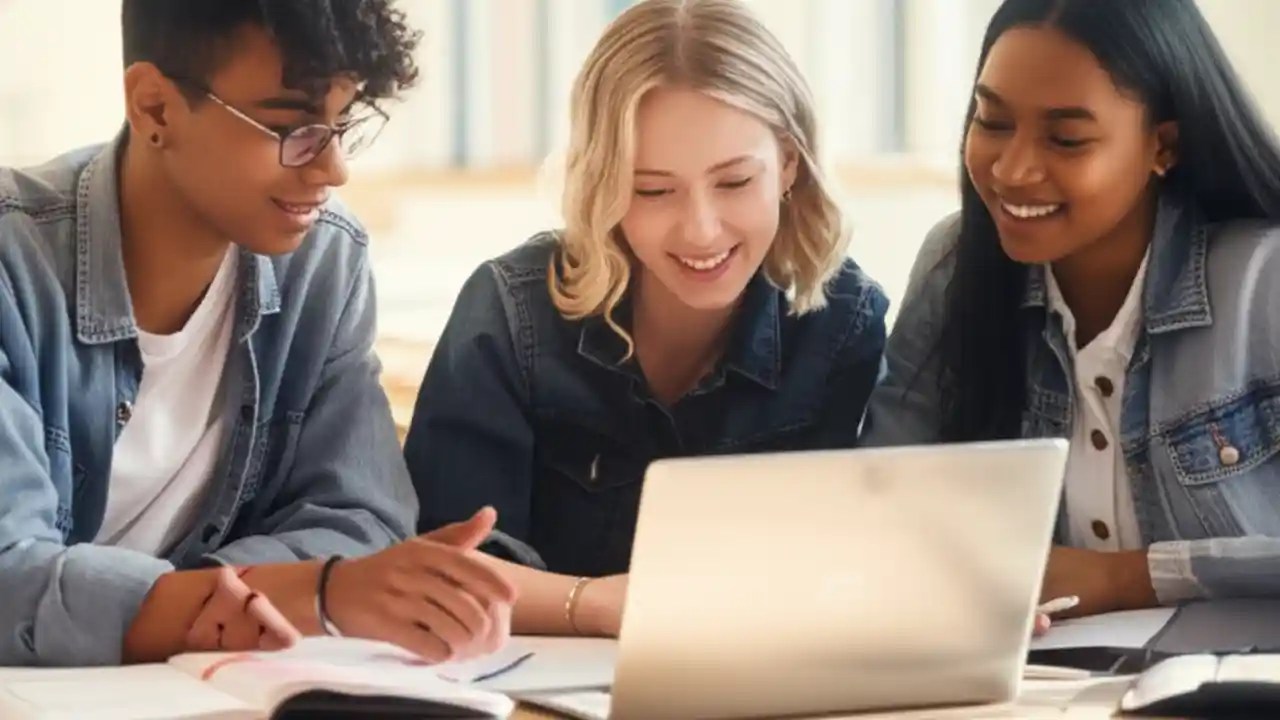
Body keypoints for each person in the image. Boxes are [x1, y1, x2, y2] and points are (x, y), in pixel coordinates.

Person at [0, 0, 514, 666]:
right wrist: (308, 591)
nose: (333, 170)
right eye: (293, 127)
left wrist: (223, 606)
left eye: (344, 123)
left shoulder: (325, 264)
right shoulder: (15, 266)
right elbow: (10, 575)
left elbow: (361, 517)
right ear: (155, 106)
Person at [404, 0, 888, 638]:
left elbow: (846, 561)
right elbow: (442, 572)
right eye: (653, 190)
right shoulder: (510, 313)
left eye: (736, 181)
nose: (701, 229)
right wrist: (601, 604)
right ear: (603, 185)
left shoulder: (842, 320)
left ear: (790, 164)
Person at [862, 0, 1280, 628]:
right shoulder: (954, 268)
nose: (1012, 169)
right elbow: (881, 509)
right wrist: (952, 585)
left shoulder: (1262, 280)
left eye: (1066, 139)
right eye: (992, 121)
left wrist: (1123, 578)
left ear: (1162, 145)